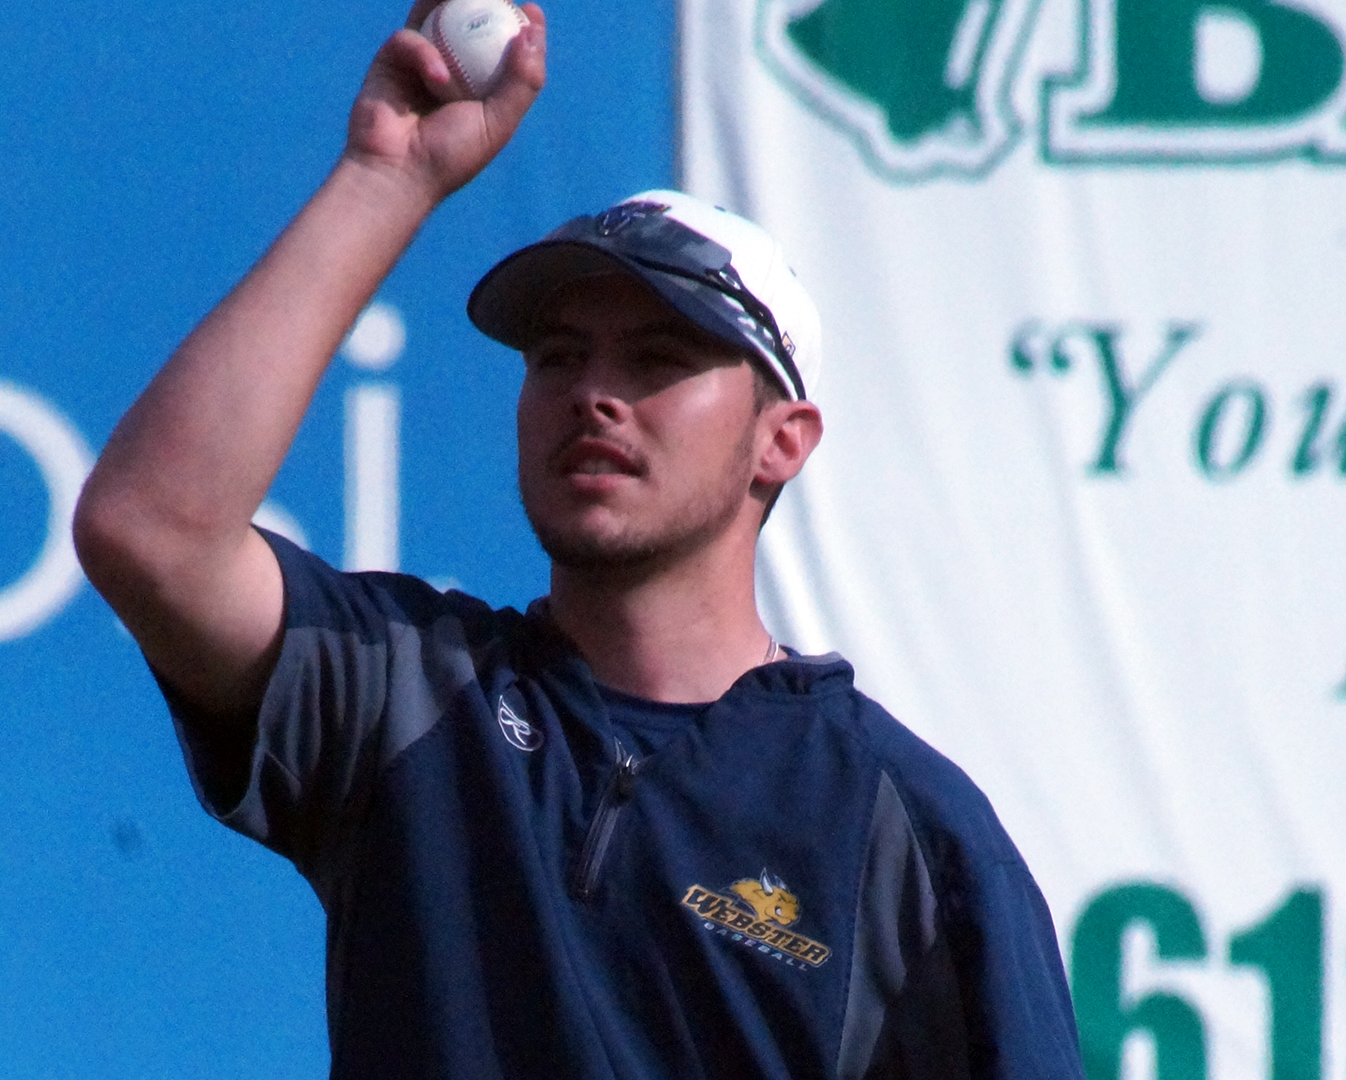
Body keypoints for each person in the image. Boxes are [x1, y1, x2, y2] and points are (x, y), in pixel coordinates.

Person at [72, 3, 1085, 1076]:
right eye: (559, 358)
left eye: (656, 360)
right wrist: (386, 177)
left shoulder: (905, 825)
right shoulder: (412, 696)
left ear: (780, 442)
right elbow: (151, 532)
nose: (595, 396)